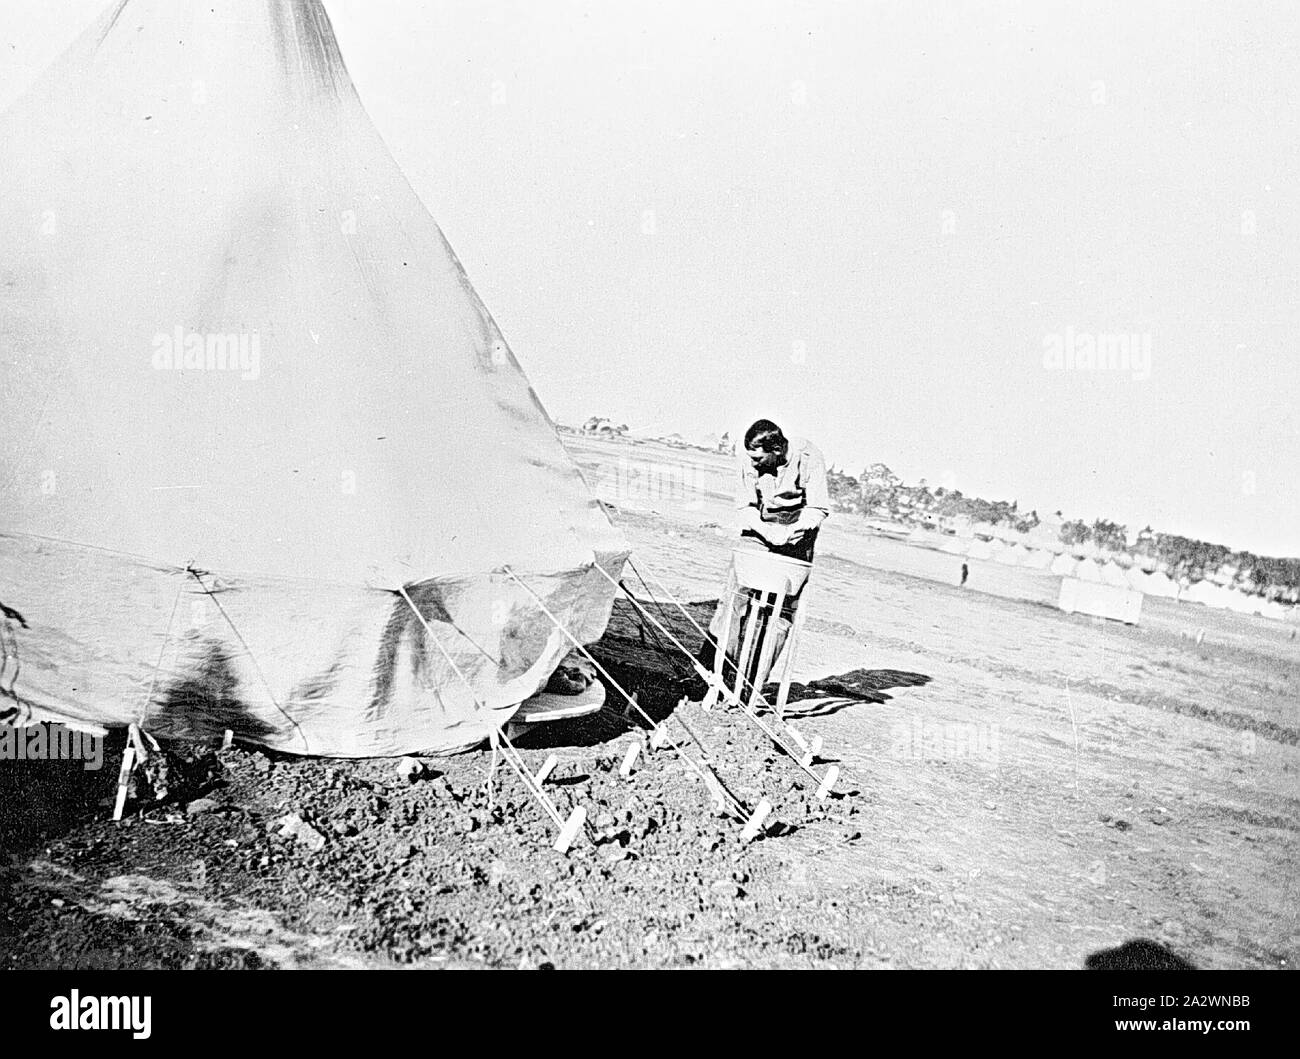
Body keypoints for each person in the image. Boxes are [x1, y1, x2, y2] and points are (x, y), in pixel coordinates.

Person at [699, 419, 829, 697]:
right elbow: (745, 507)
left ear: (778, 450)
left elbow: (818, 508)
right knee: (734, 598)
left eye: (759, 458)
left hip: (797, 538)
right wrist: (767, 532)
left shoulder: (808, 457)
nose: (754, 463)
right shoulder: (749, 461)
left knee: (778, 613)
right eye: (751, 457)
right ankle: (710, 674)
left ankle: (750, 685)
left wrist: (795, 530)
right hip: (759, 530)